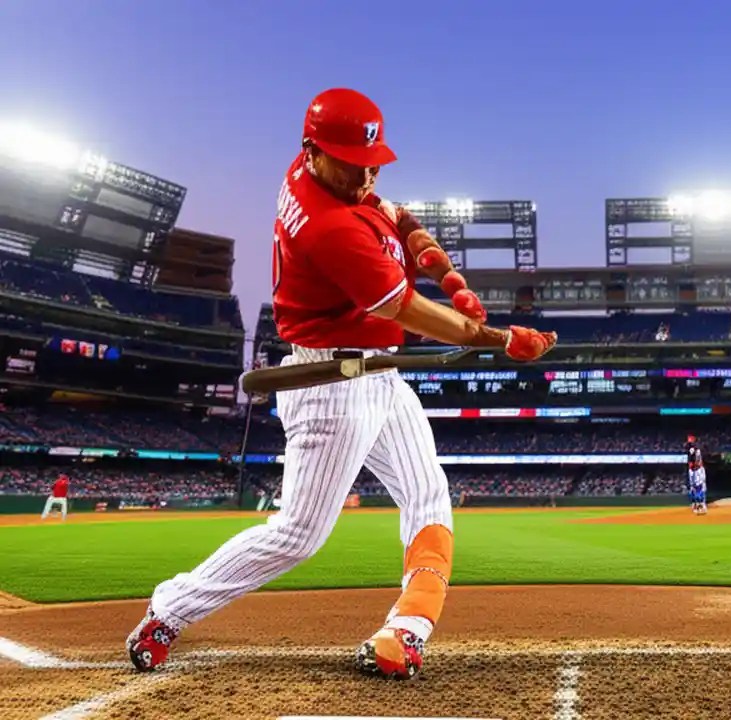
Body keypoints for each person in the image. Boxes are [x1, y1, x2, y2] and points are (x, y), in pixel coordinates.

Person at [126, 88, 557, 680]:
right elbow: (405, 310)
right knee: (299, 534)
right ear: (313, 152)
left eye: (372, 161)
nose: (366, 175)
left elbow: (393, 213)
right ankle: (168, 610)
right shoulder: (330, 229)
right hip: (331, 379)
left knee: (427, 494)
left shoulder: (322, 175)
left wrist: (443, 268)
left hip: (377, 370)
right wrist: (498, 338)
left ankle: (405, 629)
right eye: (353, 163)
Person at [687, 435, 707, 515]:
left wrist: (693, 465)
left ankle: (699, 504)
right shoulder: (694, 449)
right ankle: (697, 504)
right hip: (695, 470)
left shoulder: (694, 449)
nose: (689, 442)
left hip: (697, 470)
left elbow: (693, 461)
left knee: (698, 487)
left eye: (690, 440)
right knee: (696, 487)